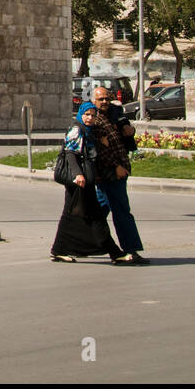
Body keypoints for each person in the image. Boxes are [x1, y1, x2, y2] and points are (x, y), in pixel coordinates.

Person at [50, 103, 124, 263]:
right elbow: (70, 153)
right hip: (79, 180)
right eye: (87, 115)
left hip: (84, 180)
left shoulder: (87, 131)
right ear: (81, 115)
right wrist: (78, 174)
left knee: (71, 214)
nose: (90, 118)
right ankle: (115, 253)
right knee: (95, 215)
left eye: (93, 115)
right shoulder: (77, 129)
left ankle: (59, 250)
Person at [82, 96, 150, 265]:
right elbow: (99, 149)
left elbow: (121, 134)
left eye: (106, 98)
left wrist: (129, 130)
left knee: (98, 211)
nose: (104, 101)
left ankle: (79, 243)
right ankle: (130, 249)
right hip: (109, 173)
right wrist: (115, 166)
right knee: (122, 211)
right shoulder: (94, 120)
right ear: (93, 100)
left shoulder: (113, 115)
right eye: (100, 99)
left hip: (118, 170)